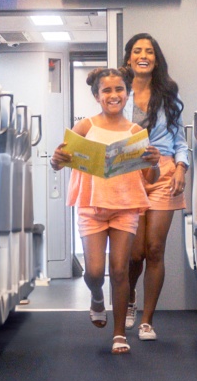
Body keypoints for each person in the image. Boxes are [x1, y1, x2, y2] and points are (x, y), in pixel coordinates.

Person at [51, 67, 156, 354]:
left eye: (119, 89)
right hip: (91, 204)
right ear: (97, 96)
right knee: (95, 272)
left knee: (120, 270)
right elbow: (60, 161)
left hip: (125, 206)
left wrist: (154, 163)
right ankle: (97, 297)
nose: (113, 95)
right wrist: (56, 158)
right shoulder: (86, 127)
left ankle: (119, 333)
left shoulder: (136, 132)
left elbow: (150, 179)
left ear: (127, 93)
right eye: (107, 90)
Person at [120, 33, 187, 340]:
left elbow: (181, 141)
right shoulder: (118, 93)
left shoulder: (168, 96)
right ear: (129, 58)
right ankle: (130, 298)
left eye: (149, 51)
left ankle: (147, 320)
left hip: (163, 173)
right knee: (135, 255)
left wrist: (181, 169)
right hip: (128, 174)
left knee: (155, 249)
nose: (143, 55)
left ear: (156, 59)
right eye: (137, 51)